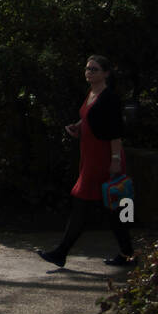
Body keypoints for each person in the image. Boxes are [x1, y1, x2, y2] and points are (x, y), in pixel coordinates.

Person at [38, 55, 135, 269]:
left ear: (106, 73)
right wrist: (78, 127)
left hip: (104, 157)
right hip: (89, 155)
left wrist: (116, 160)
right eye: (88, 68)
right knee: (113, 209)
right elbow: (90, 117)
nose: (89, 72)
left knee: (84, 205)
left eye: (95, 69)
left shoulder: (110, 98)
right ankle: (128, 254)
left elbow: (116, 132)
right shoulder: (92, 93)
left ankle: (61, 252)